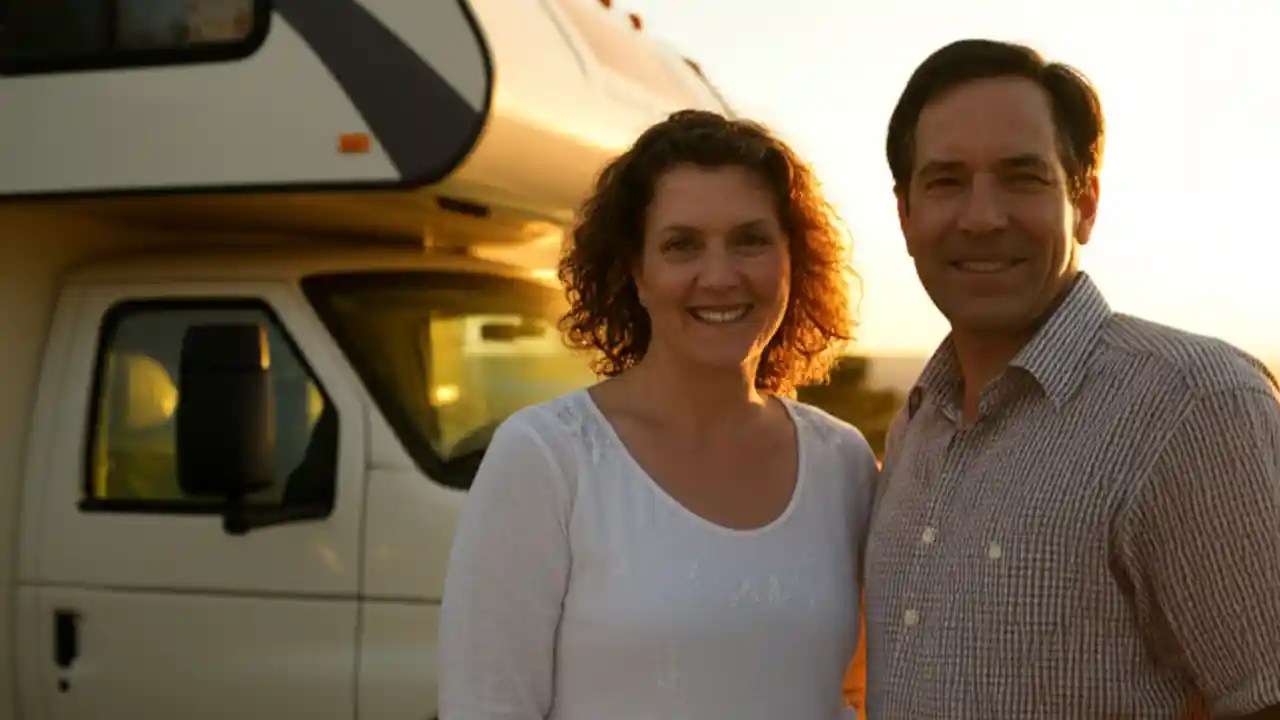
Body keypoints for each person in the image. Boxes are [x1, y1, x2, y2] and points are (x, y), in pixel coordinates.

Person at [863, 38, 1280, 719]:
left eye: (1023, 178)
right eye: (945, 182)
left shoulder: (1192, 408)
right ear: (905, 215)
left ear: (1084, 202)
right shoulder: (915, 425)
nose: (981, 217)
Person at [438, 109, 879, 719]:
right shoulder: (547, 457)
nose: (720, 275)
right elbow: (487, 706)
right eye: (682, 245)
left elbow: (853, 695)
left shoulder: (844, 463)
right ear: (636, 273)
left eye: (750, 240)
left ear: (791, 261)